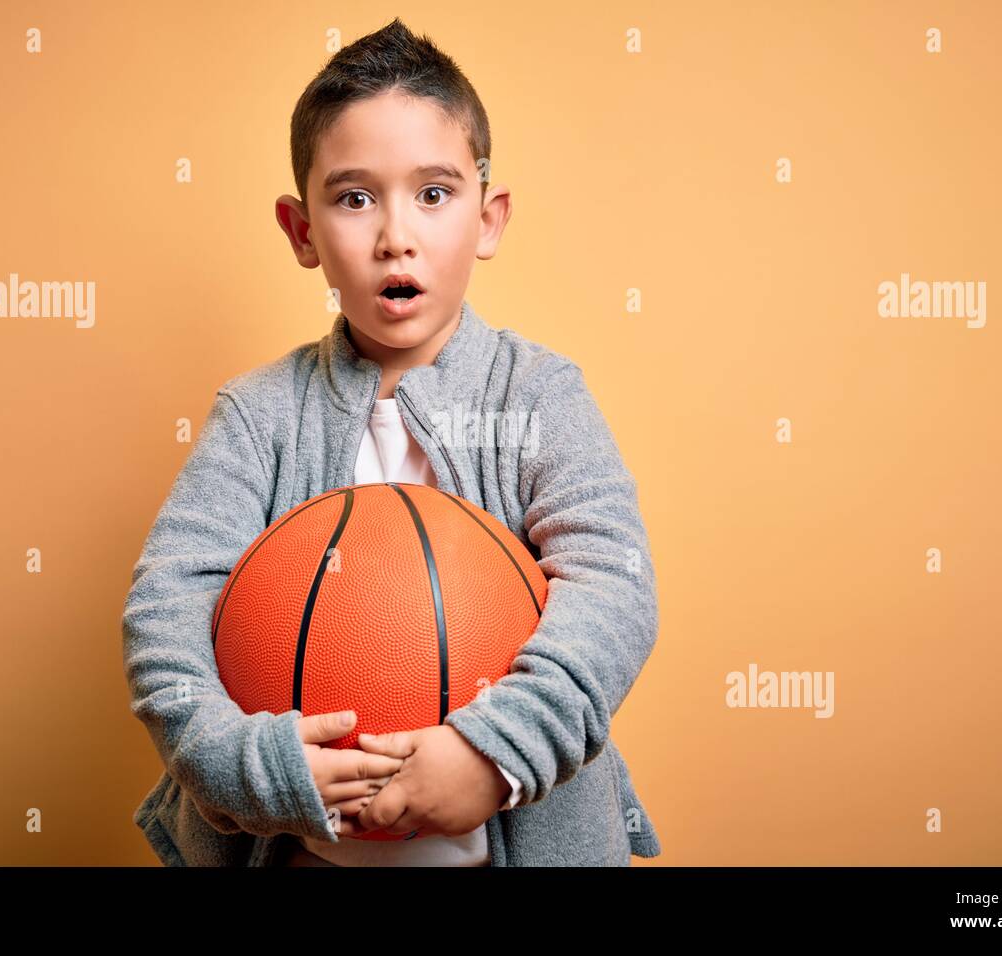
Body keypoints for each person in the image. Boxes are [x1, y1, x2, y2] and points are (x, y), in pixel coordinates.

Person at [122, 17, 663, 867]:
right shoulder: (258, 414)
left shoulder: (538, 394)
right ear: (303, 233)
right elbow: (168, 607)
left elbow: (613, 587)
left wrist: (493, 752)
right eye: (354, 197)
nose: (395, 235)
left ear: (488, 219)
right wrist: (243, 762)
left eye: (435, 193)